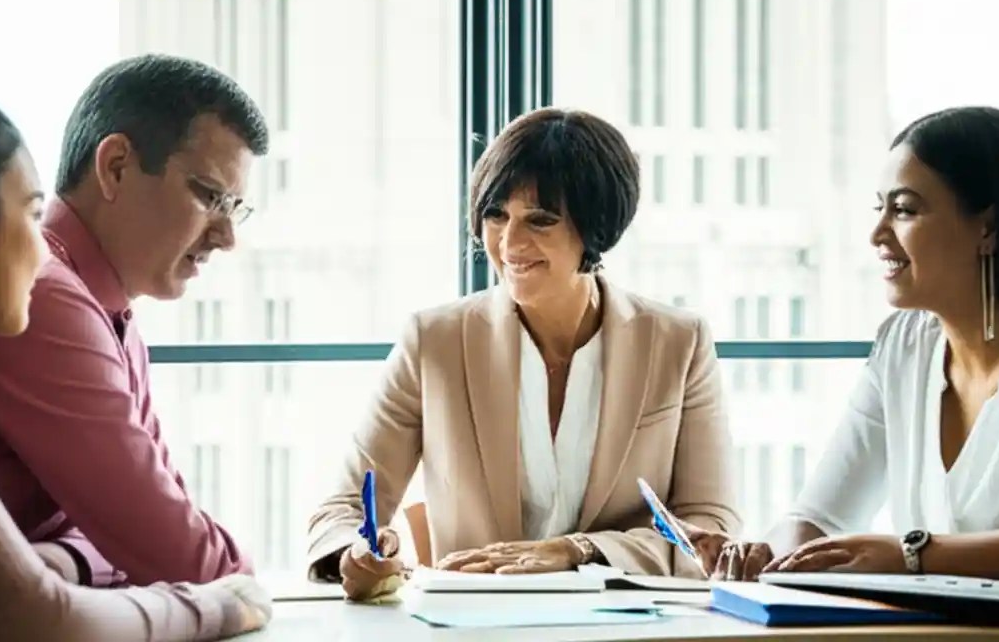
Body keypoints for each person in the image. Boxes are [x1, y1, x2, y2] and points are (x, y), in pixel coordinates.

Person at [682, 106, 999, 599]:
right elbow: (820, 519)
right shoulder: (904, 347)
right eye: (879, 209)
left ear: (987, 228)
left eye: (904, 210)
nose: (878, 233)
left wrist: (911, 555)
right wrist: (766, 554)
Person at [306, 107, 740, 599]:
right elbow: (342, 508)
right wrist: (357, 552)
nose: (509, 243)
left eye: (540, 220)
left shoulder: (678, 343)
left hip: (625, 624)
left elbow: (711, 527)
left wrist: (579, 550)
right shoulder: (434, 341)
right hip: (473, 622)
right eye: (496, 215)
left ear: (595, 228)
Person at [0, 82, 270, 639]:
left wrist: (62, 559)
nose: (227, 237)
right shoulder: (51, 298)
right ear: (116, 167)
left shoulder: (113, 314)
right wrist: (220, 604)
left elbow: (139, 528)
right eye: (33, 214)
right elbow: (178, 562)